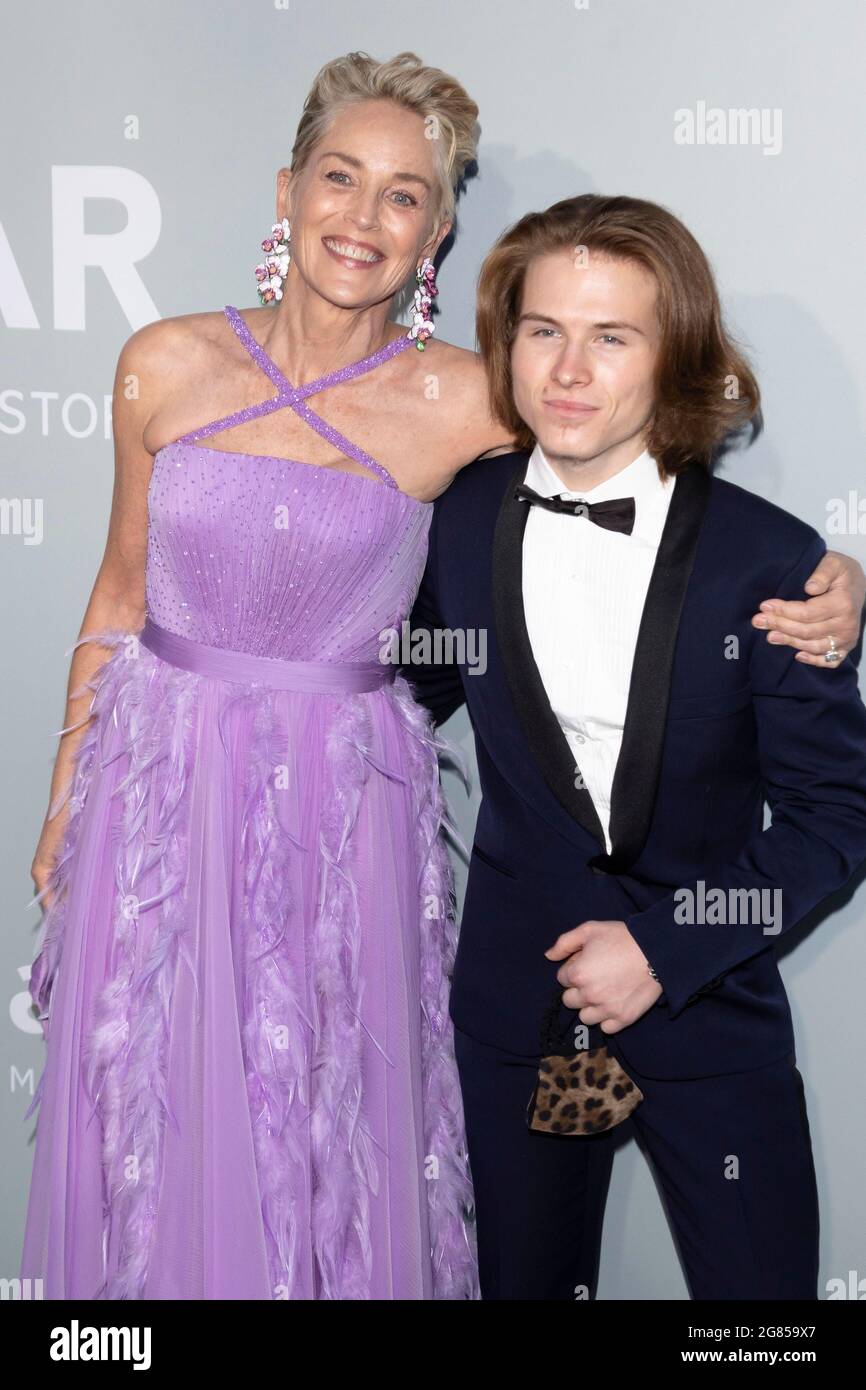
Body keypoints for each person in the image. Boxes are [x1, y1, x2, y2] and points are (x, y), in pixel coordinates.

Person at [20, 49, 861, 1301]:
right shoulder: (195, 378)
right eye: (339, 178)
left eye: (403, 193)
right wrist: (73, 792)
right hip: (266, 872)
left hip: (623, 979)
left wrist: (836, 576)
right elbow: (143, 596)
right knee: (184, 1155)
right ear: (286, 185)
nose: (362, 217)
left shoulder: (540, 436)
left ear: (438, 227)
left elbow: (649, 425)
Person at [402, 193, 866, 1300]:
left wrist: (662, 948)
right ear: (504, 343)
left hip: (706, 1010)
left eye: (610, 336)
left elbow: (832, 818)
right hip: (512, 1012)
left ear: (678, 361)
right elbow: (389, 692)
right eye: (542, 330)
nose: (568, 369)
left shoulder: (770, 561)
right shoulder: (455, 518)